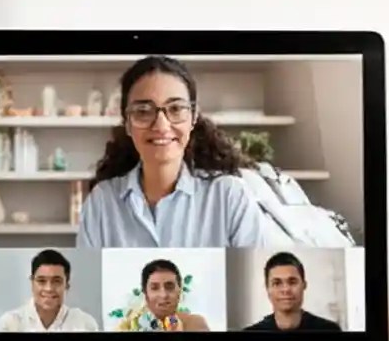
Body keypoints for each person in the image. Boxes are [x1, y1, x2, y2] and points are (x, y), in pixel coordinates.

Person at [78, 55, 270, 248]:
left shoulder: (230, 196)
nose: (161, 125)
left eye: (176, 108)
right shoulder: (101, 202)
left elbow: (255, 277)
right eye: (143, 111)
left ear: (193, 117)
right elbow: (88, 278)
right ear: (127, 123)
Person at [0, 250, 100, 332]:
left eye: (56, 281)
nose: (49, 288)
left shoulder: (85, 323)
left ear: (67, 285)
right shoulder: (10, 323)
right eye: (41, 281)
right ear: (32, 283)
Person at [245, 252, 343, 332]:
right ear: (267, 288)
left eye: (292, 282)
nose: (286, 289)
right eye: (277, 283)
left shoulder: (329, 331)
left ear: (304, 285)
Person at [118, 259, 209, 331]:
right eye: (154, 288)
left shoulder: (195, 324)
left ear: (180, 290)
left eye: (169, 287)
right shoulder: (128, 326)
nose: (163, 295)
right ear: (145, 294)